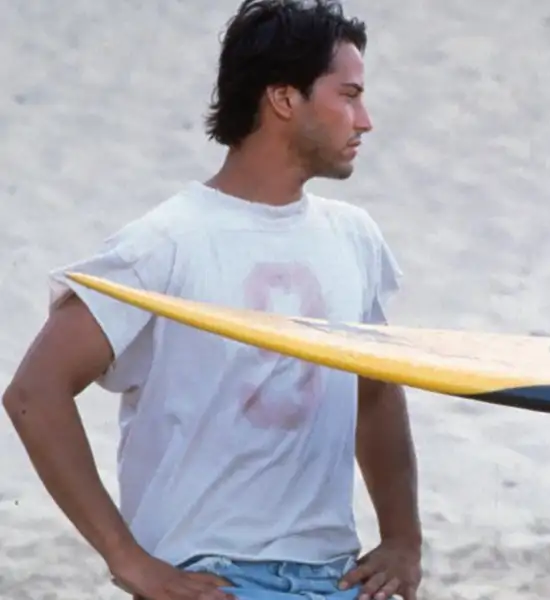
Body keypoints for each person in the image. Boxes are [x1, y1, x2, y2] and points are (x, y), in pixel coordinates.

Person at [2, 1, 422, 599]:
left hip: (335, 574)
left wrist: (404, 539)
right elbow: (33, 393)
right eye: (349, 96)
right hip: (212, 577)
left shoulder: (355, 237)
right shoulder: (165, 242)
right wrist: (129, 560)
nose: (365, 121)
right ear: (284, 99)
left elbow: (374, 391)